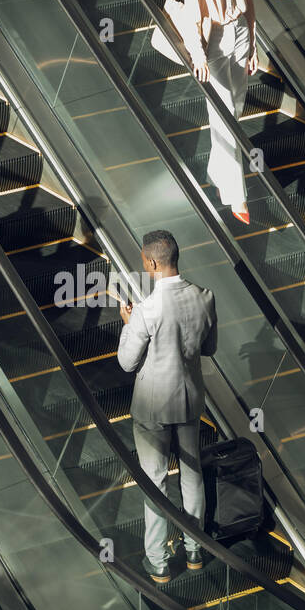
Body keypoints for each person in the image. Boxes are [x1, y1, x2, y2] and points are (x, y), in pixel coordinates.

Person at [117, 230, 218, 582]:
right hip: (190, 401)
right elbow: (209, 348)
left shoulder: (147, 310)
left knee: (155, 481)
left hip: (153, 406)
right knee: (192, 474)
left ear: (152, 262)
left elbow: (127, 362)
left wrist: (129, 326)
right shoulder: (205, 297)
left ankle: (158, 561)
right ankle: (194, 548)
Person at [175, 0, 258, 225]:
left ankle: (215, 169)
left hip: (238, 35)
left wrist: (252, 45)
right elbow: (195, 17)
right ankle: (236, 196)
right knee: (224, 117)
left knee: (235, 109)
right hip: (213, 41)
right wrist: (197, 55)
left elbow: (248, 2)